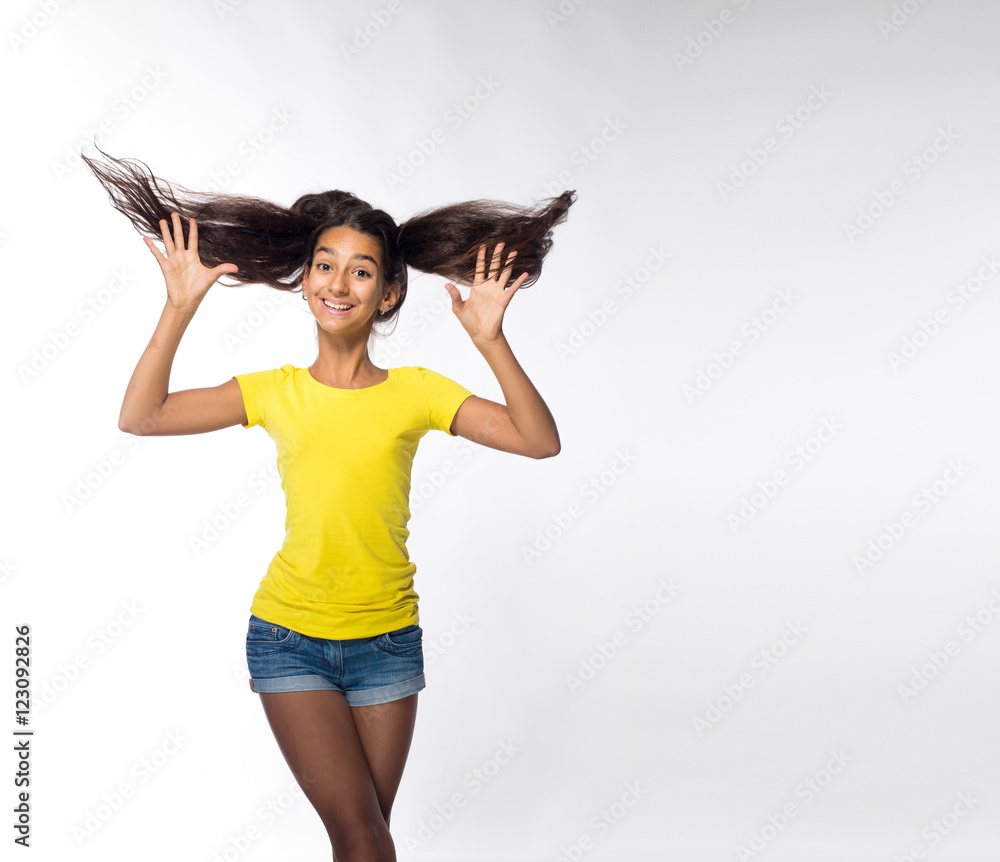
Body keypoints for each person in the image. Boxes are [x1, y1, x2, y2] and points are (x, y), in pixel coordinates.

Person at [83, 148, 574, 861]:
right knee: (362, 835)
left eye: (361, 271)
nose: (338, 284)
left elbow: (538, 441)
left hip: (388, 642)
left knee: (366, 837)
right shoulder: (275, 390)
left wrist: (490, 340)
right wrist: (179, 307)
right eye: (325, 265)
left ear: (389, 295)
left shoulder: (418, 391)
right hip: (290, 637)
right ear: (306, 281)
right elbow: (143, 416)